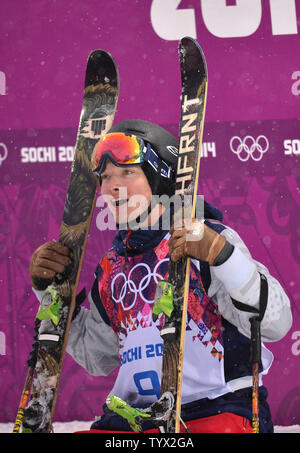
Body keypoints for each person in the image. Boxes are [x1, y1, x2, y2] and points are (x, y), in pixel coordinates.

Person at [29, 120, 292, 433]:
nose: (112, 187)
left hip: (218, 411)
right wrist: (51, 292)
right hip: (138, 422)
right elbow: (98, 357)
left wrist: (225, 257)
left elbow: (277, 324)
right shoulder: (112, 267)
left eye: (127, 172)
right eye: (106, 176)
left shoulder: (209, 242)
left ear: (161, 177)